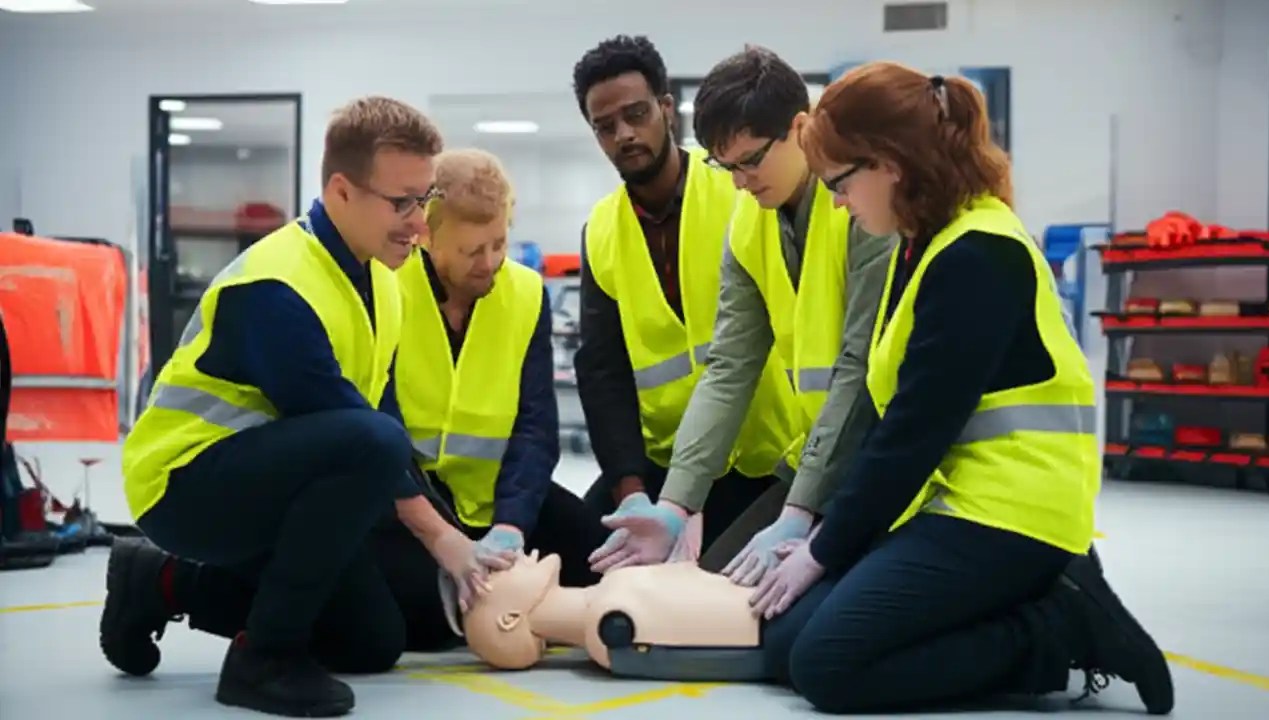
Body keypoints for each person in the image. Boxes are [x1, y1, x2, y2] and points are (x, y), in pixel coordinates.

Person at [754, 61, 1174, 716]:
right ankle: (1022, 603)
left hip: (1014, 514)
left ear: (890, 164)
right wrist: (825, 534)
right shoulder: (921, 242)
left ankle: (1059, 628)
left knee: (827, 665)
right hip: (955, 503)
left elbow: (912, 437)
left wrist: (822, 550)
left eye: (840, 182)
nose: (837, 202)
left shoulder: (978, 256)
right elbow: (895, 423)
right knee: (785, 642)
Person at [99, 97, 511, 718]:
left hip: (276, 483)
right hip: (187, 485)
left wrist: (440, 534)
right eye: (402, 203)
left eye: (424, 200)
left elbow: (372, 413)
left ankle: (160, 582)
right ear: (341, 191)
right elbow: (360, 434)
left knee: (371, 641)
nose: (420, 225)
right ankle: (262, 658)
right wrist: (443, 538)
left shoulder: (379, 278)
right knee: (376, 443)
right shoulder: (276, 287)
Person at [585, 45, 896, 576]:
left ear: (800, 129)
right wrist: (675, 505)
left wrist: (799, 511)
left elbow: (857, 368)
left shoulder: (860, 211)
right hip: (812, 460)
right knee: (718, 586)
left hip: (880, 461)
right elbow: (728, 368)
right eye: (725, 165)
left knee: (780, 616)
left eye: (750, 161)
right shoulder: (750, 223)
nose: (739, 182)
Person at [371, 148, 610, 652]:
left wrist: (511, 527)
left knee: (600, 563)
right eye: (471, 251)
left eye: (499, 243)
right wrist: (443, 538)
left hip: (499, 499)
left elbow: (535, 427)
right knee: (421, 623)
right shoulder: (385, 288)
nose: (490, 263)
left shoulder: (526, 294)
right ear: (427, 235)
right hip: (412, 506)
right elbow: (378, 427)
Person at [570, 35, 796, 561]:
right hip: (664, 465)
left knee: (714, 584)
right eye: (606, 126)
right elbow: (603, 372)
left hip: (761, 456)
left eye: (637, 114)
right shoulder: (601, 230)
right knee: (584, 556)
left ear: (667, 109)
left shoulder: (741, 191)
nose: (625, 134)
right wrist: (631, 492)